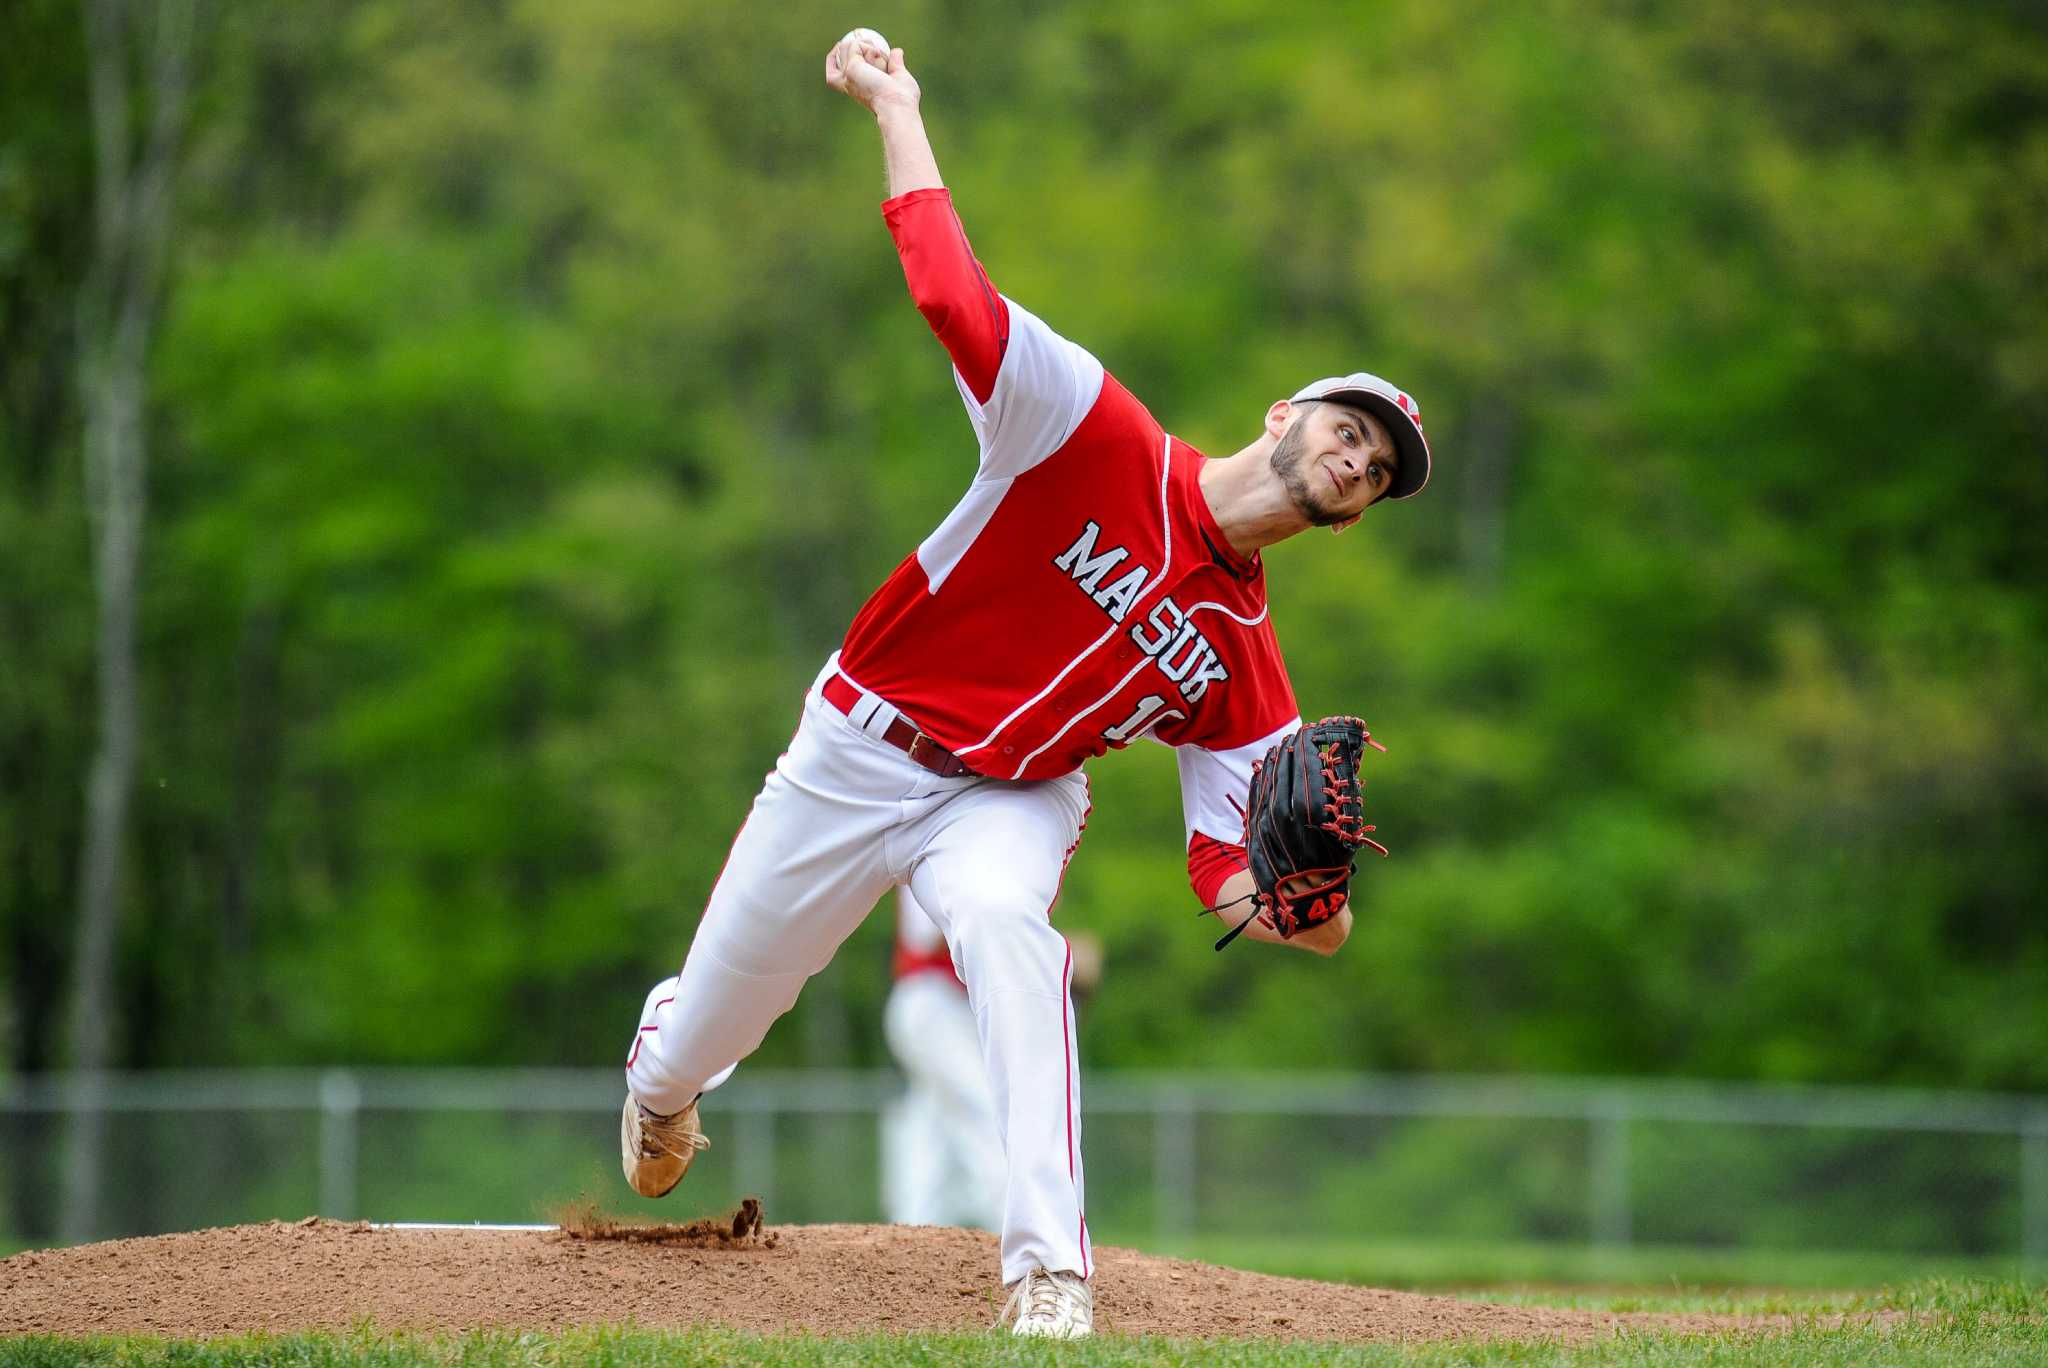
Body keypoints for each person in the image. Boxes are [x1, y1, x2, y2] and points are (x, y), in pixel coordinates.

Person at [620, 30, 1433, 1339]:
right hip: (860, 744)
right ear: (1286, 415)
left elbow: (1226, 866)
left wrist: (1302, 914)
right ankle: (665, 1073)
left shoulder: (1245, 667)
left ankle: (1049, 1270)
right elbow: (952, 294)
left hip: (1011, 799)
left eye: (1378, 470)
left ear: (1356, 514)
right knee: (701, 1036)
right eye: (1350, 429)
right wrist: (898, 106)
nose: (1357, 460)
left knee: (1014, 945)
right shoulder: (1088, 427)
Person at [881, 887, 1102, 1233]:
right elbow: (927, 936)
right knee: (989, 1112)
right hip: (933, 1001)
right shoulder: (936, 845)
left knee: (934, 1123)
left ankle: (913, 1233)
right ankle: (1022, 1234)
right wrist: (1058, 947)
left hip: (964, 1008)